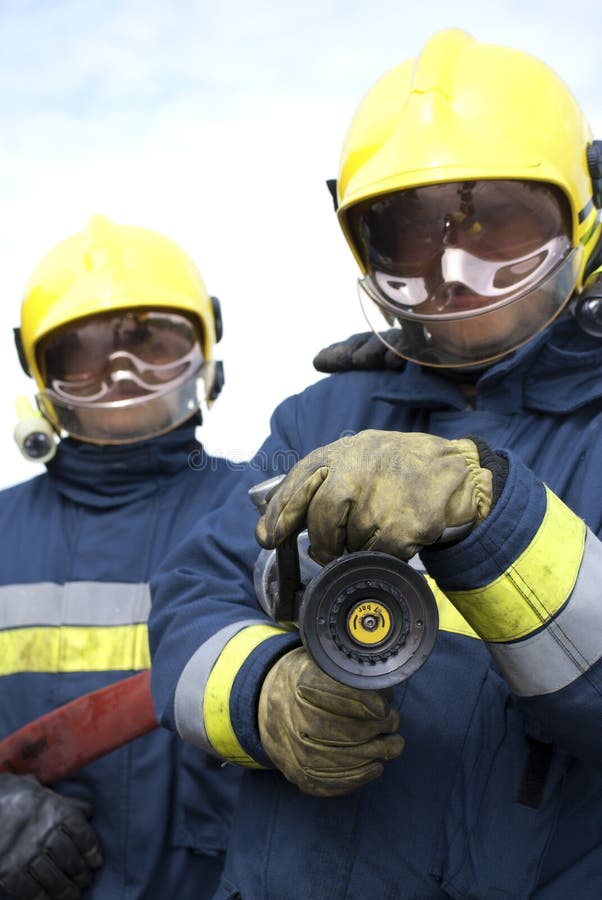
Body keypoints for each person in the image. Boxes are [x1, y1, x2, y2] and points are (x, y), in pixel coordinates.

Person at [149, 29, 602, 899]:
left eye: (497, 224)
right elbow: (191, 601)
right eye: (409, 237)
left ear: (584, 211)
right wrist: (264, 695)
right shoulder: (318, 421)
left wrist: (491, 516)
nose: (454, 273)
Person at [0, 215, 243, 900]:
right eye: (83, 353)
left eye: (151, 342)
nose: (122, 374)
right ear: (41, 374)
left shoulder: (267, 511)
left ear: (204, 350)